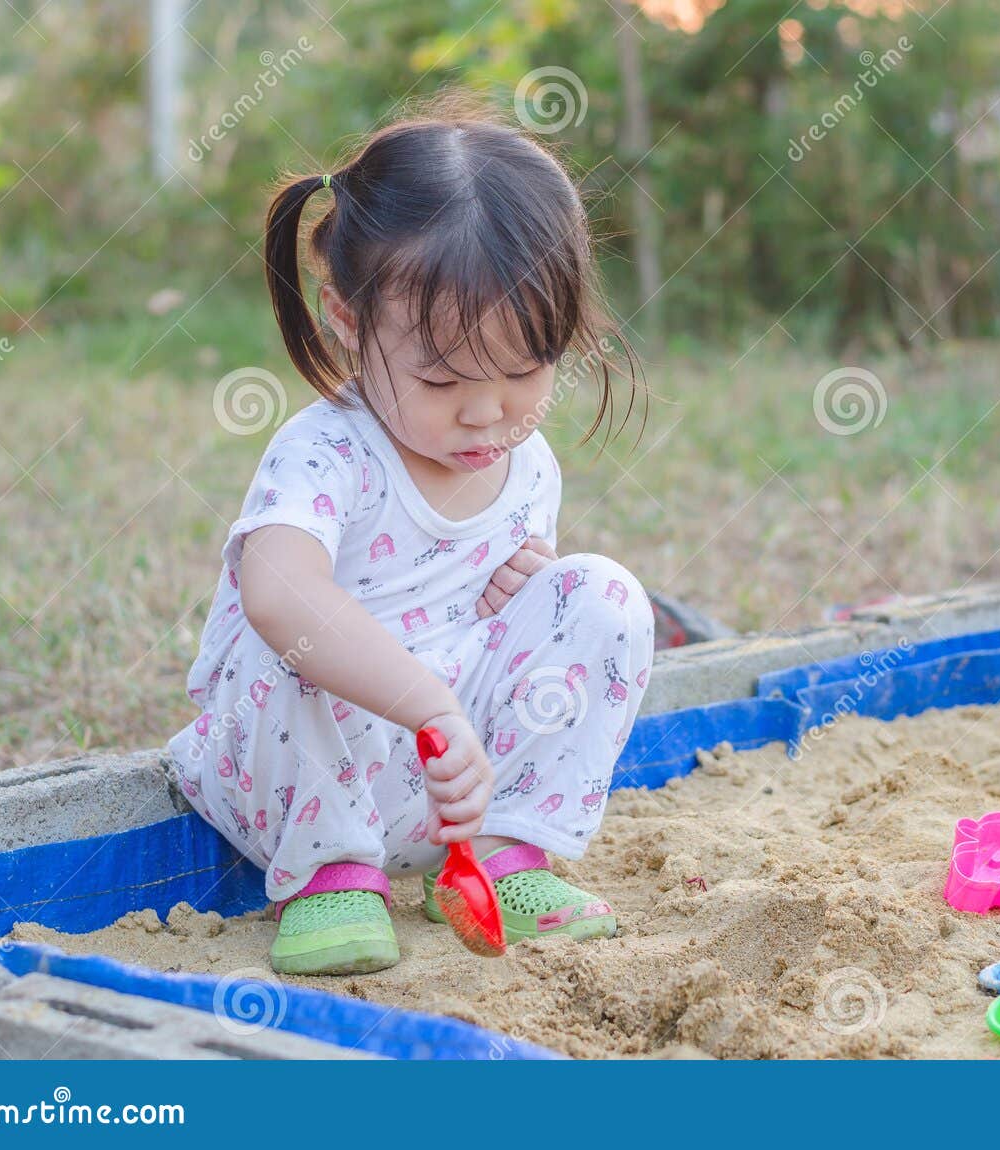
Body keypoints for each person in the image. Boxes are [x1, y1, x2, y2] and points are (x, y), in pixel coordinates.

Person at [167, 95, 655, 976]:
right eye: (440, 377)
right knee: (300, 640)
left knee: (602, 596)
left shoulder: (525, 459)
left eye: (525, 372)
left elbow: (488, 615)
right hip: (284, 774)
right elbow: (277, 595)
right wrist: (429, 704)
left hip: (443, 783)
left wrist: (522, 604)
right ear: (348, 320)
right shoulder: (328, 452)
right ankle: (332, 875)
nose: (486, 411)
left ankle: (504, 853)